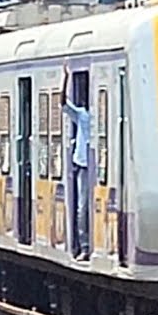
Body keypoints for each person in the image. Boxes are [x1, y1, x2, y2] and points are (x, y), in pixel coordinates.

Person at [61, 66, 91, 261]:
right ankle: (84, 246)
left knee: (87, 207)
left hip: (99, 167)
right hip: (84, 165)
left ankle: (88, 246)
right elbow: (63, 103)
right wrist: (65, 79)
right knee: (82, 208)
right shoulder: (82, 114)